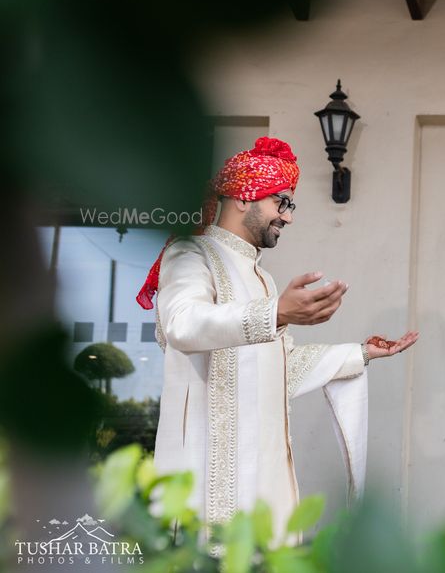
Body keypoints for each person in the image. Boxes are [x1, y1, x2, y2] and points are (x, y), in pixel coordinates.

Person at [136, 136, 418, 543]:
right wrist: (277, 312)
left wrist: (359, 354)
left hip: (262, 482)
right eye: (280, 202)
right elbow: (183, 323)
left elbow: (281, 369)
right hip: (208, 477)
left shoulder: (263, 278)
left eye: (290, 205)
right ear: (243, 198)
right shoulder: (190, 253)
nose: (288, 217)